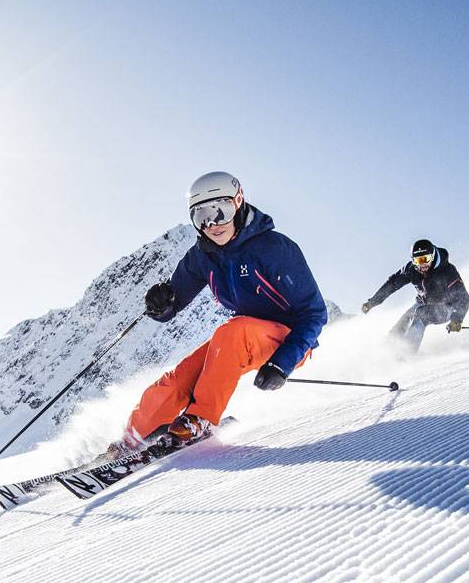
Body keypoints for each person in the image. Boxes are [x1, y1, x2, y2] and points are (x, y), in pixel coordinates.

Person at [117, 171, 328, 455]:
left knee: (231, 330)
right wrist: (161, 303)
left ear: (238, 203)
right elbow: (173, 302)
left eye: (221, 211)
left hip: (288, 340)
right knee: (180, 378)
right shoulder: (203, 255)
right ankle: (131, 440)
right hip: (238, 340)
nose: (212, 224)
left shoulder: (274, 249)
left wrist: (282, 363)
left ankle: (199, 420)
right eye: (201, 216)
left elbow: (314, 314)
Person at [363, 238, 469, 351]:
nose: (423, 264)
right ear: (414, 261)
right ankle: (388, 347)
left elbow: (464, 298)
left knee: (420, 313)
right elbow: (392, 284)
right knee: (406, 319)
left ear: (432, 256)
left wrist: (457, 319)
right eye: (419, 260)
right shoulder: (412, 269)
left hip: (447, 307)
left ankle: (407, 353)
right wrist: (373, 302)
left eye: (426, 259)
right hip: (422, 303)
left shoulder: (447, 271)